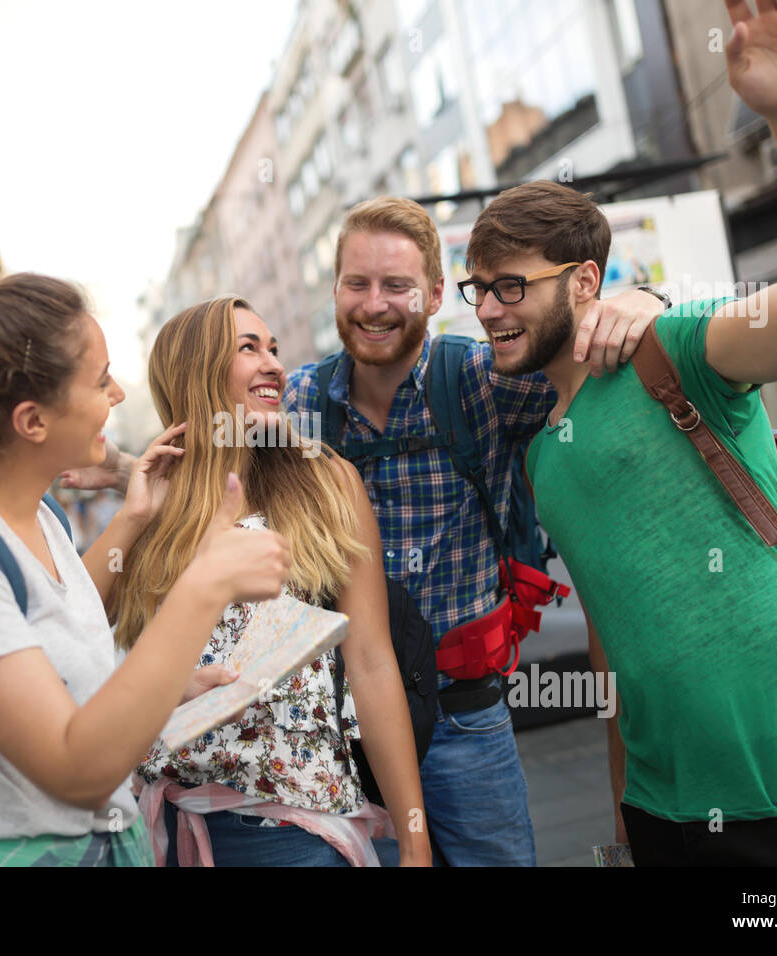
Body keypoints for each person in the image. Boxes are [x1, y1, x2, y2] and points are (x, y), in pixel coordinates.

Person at [68, 221, 665, 868]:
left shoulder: (483, 381)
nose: (374, 302)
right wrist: (132, 476)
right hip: (336, 733)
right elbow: (215, 460)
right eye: (357, 282)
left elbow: (590, 360)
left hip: (461, 711)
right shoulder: (295, 401)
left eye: (396, 286)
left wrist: (644, 302)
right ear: (334, 291)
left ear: (436, 295)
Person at [464, 0, 777, 866]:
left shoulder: (678, 349)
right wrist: (623, 799)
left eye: (510, 286)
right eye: (479, 290)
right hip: (664, 805)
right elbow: (614, 639)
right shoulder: (543, 455)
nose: (491, 309)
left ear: (583, 282)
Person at [0, 272, 291, 866]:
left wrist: (167, 691)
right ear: (33, 421)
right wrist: (206, 584)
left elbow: (60, 650)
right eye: (99, 380)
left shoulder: (37, 517)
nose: (116, 395)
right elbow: (76, 767)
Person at [115, 296, 431, 866]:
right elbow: (91, 649)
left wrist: (413, 842)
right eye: (248, 348)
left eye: (275, 349)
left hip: (293, 834)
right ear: (195, 372)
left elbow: (371, 663)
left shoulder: (326, 479)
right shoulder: (154, 501)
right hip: (169, 825)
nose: (274, 365)